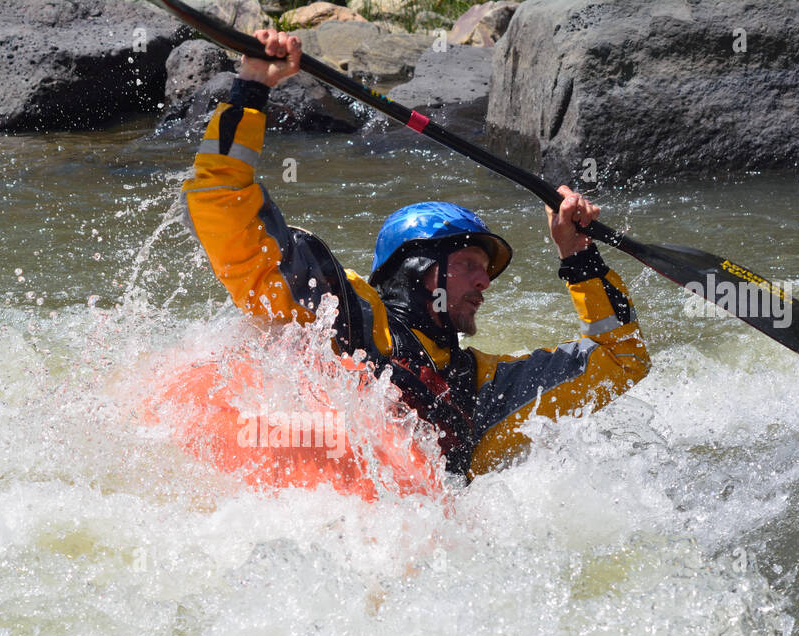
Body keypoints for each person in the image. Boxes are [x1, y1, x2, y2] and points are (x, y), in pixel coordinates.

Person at [180, 30, 651, 479]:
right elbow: (221, 202)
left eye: (485, 271)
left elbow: (623, 360)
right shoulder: (344, 315)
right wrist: (252, 88)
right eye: (469, 265)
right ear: (416, 269)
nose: (485, 282)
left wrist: (577, 256)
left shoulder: (485, 389)